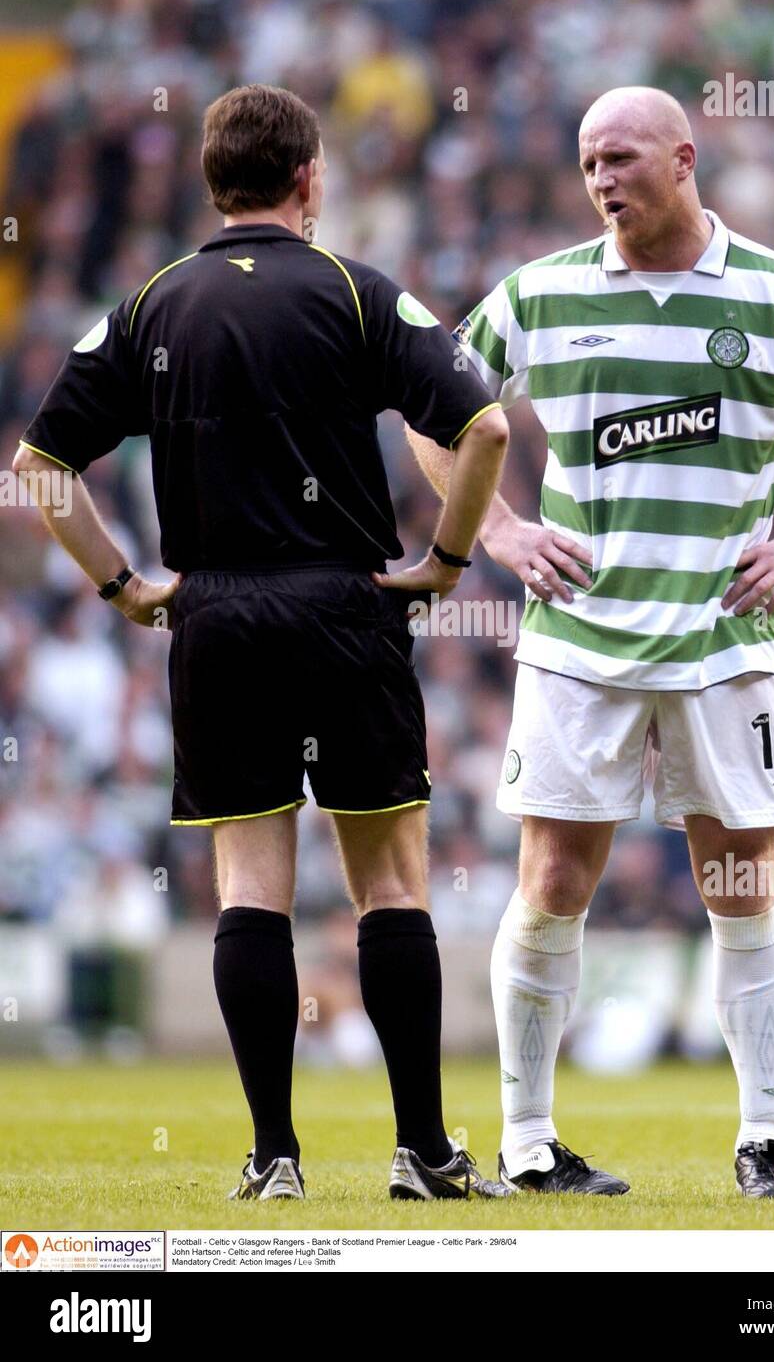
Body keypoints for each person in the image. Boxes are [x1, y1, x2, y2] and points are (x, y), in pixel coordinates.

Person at [405, 86, 774, 1199]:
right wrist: (496, 526)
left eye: (621, 157)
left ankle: (764, 1137)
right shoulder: (543, 292)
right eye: (588, 162)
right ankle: (529, 1142)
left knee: (744, 881)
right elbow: (433, 410)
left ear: (685, 157)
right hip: (580, 640)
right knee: (551, 880)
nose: (601, 180)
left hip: (727, 641)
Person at [15, 83, 510, 1202]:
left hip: (217, 613)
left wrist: (121, 585)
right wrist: (446, 559)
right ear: (308, 178)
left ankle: (274, 1155)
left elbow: (39, 467)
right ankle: (424, 1151)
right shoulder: (355, 290)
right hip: (347, 604)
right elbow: (483, 425)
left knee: (251, 884)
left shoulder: (150, 304)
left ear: (210, 181)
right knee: (389, 878)